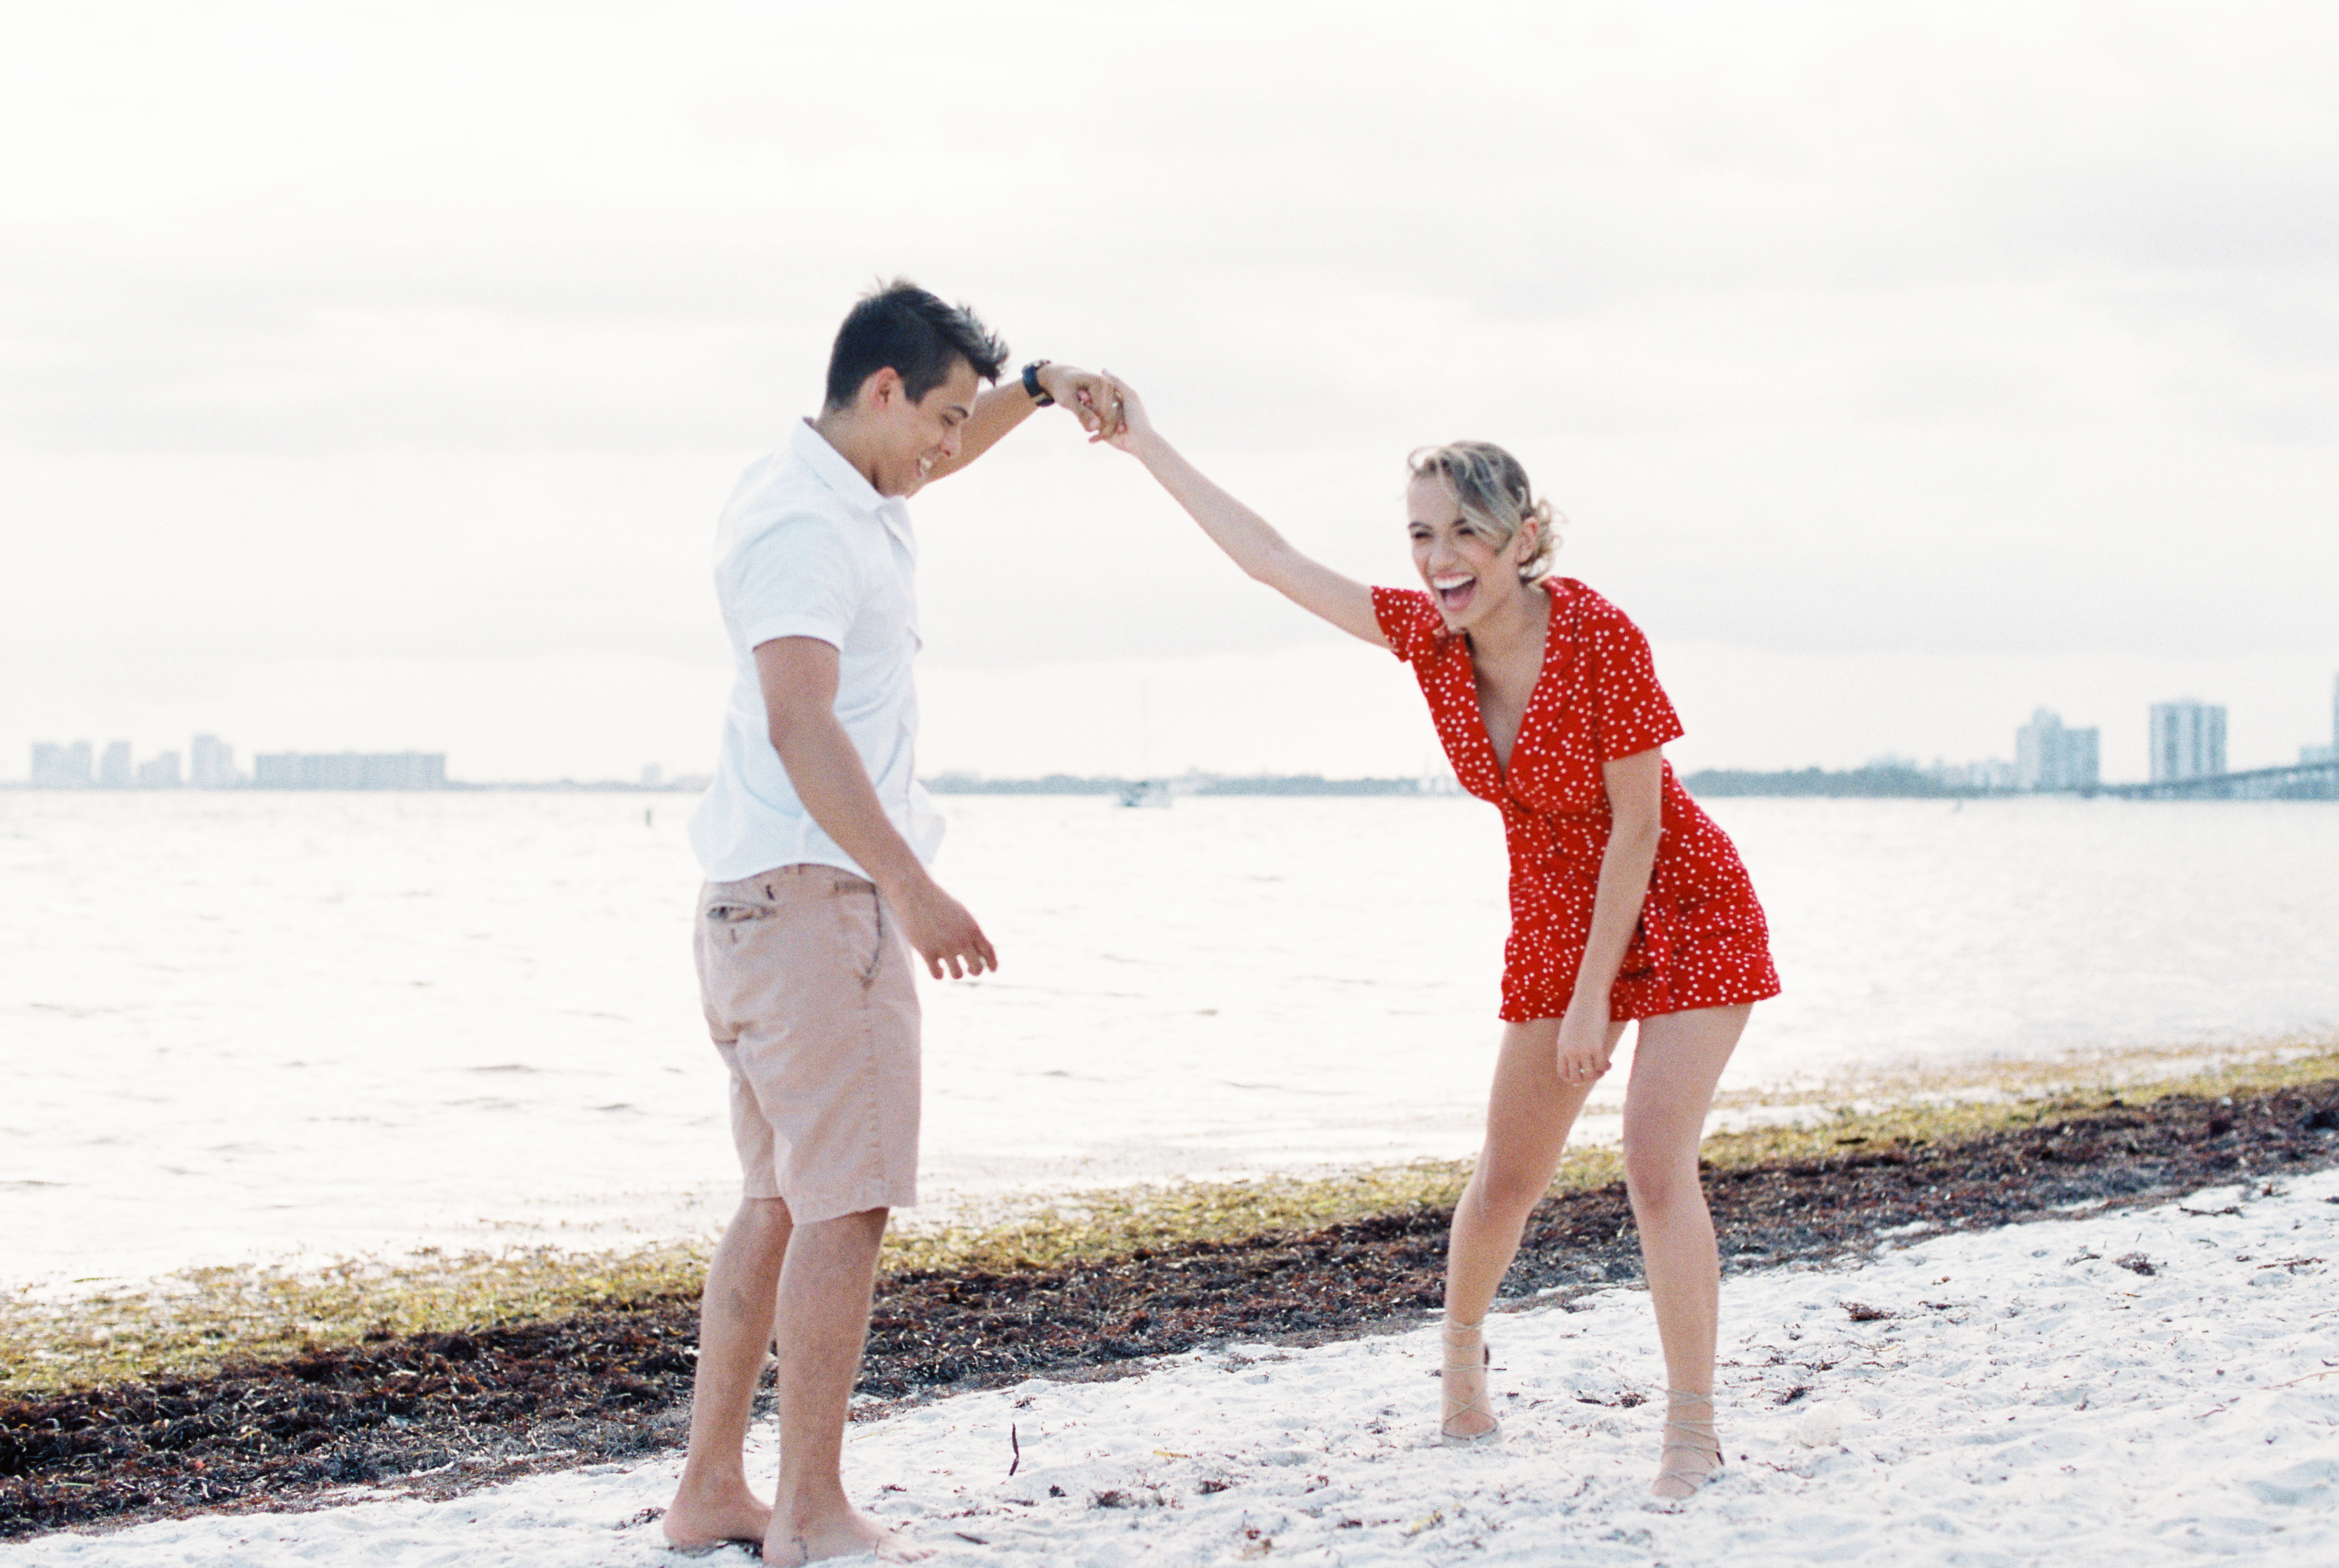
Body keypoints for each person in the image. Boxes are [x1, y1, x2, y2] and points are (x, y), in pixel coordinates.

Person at [1097, 379, 1779, 1500]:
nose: (1441, 557)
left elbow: (1642, 828)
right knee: (1510, 1172)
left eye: (1467, 532)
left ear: (1523, 538)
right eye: (1423, 534)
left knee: (1656, 1166)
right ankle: (1461, 1365)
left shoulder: (1600, 634)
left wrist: (1595, 996)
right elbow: (1270, 558)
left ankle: (1690, 1431)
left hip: (1683, 896)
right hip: (1556, 916)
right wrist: (1148, 445)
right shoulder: (1426, 634)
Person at [663, 281, 1118, 1562]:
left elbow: (944, 451)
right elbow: (798, 720)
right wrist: (909, 884)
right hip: (820, 902)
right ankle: (807, 1507)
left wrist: (1035, 390)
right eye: (938, 416)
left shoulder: (834, 490)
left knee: (779, 1199)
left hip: (759, 899)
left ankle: (710, 1489)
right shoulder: (806, 528)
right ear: (879, 392)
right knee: (845, 1205)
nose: (944, 445)